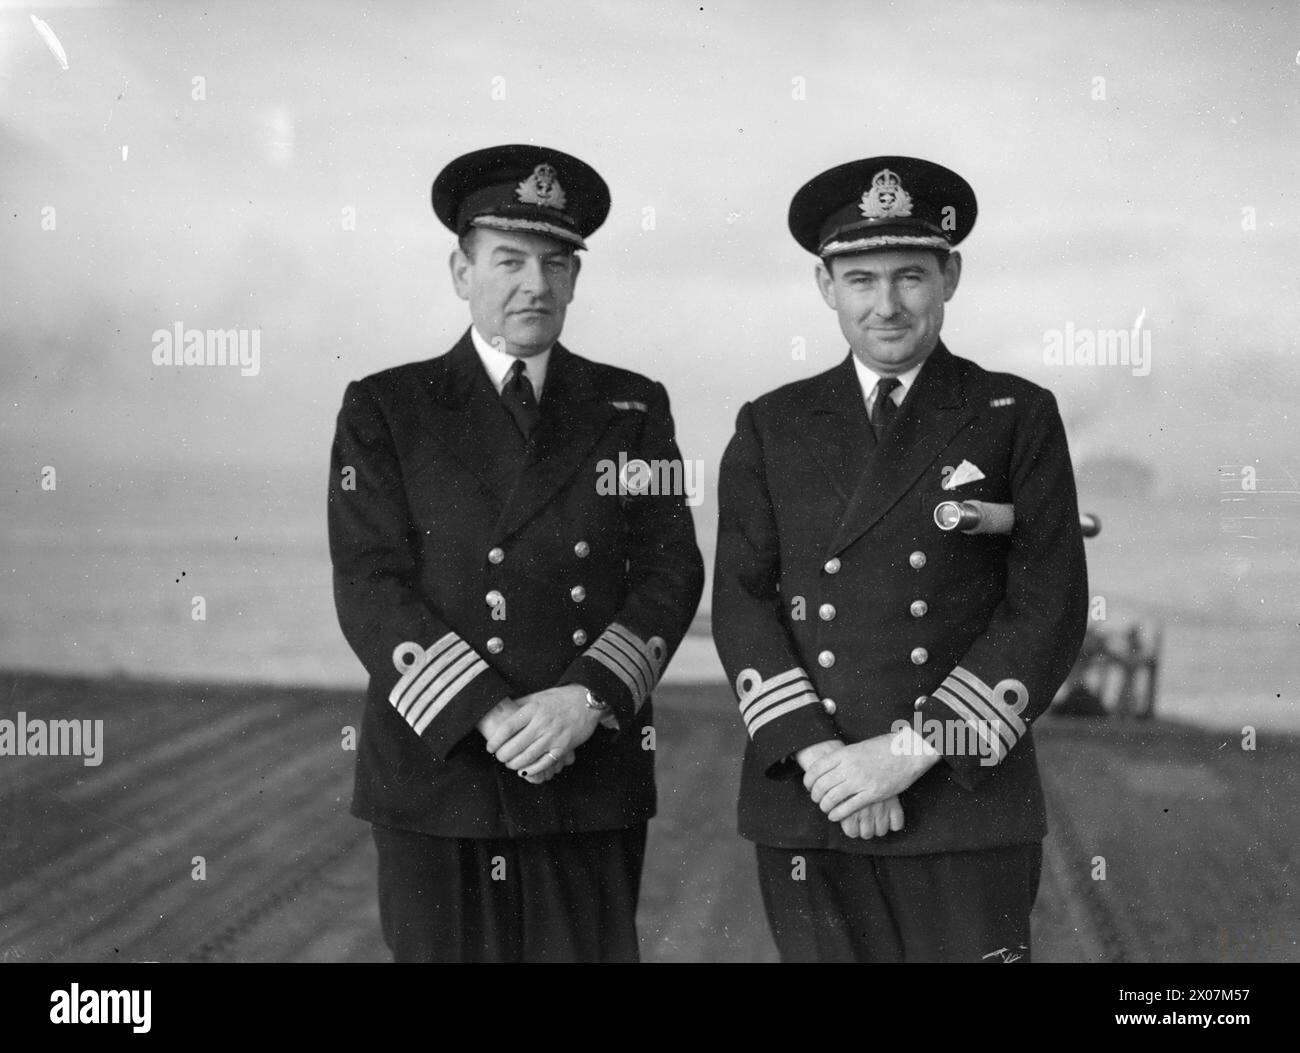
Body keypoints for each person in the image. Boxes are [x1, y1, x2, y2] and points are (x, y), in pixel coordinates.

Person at [328, 144, 704, 962]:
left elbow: (673, 570)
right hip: (441, 772)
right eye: (508, 260)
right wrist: (492, 714)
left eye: (556, 263)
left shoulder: (632, 407)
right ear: (461, 271)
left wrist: (585, 700)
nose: (534, 284)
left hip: (587, 769)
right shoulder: (387, 407)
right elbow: (369, 582)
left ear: (575, 278)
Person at [711, 155, 1089, 962]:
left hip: (960, 794)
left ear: (950, 275)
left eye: (910, 276)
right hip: (814, 796)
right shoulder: (770, 425)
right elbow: (742, 606)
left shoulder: (1017, 414)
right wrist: (826, 761)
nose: (886, 305)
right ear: (825, 285)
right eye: (861, 279)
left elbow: (1048, 607)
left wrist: (905, 754)